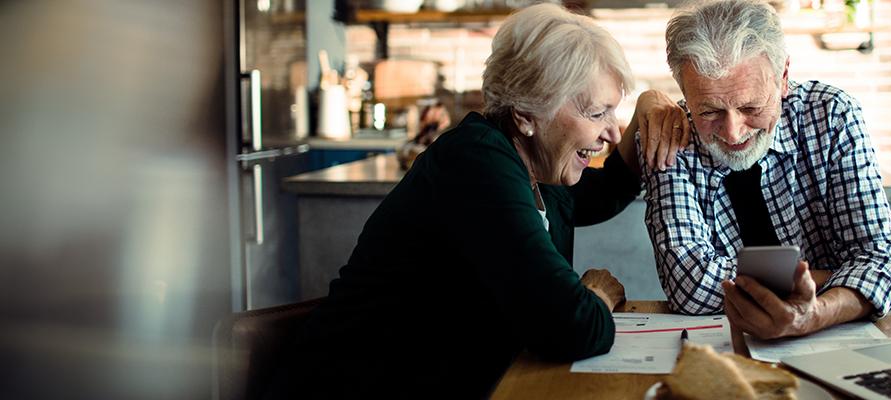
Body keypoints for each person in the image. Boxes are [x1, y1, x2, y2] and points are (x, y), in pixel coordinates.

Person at [267, 4, 685, 398]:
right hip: (358, 387)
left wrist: (648, 105)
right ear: (526, 114)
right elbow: (570, 327)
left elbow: (604, 193)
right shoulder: (476, 163)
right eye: (597, 114)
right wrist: (596, 294)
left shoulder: (533, 164)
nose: (612, 133)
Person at [638, 0, 891, 340]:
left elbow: (884, 262)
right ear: (685, 93)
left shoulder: (832, 116)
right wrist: (832, 277)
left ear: (782, 79)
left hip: (836, 338)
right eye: (708, 111)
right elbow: (688, 286)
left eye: (751, 107)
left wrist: (814, 315)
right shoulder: (669, 136)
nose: (733, 132)